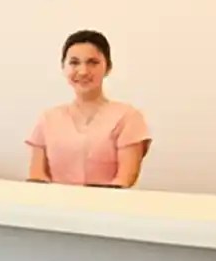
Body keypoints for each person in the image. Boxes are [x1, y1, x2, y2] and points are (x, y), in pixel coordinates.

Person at [26, 29, 151, 188]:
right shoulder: (48, 118)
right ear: (63, 67)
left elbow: (124, 179)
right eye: (74, 62)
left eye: (93, 62)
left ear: (108, 67)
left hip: (108, 208)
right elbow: (37, 177)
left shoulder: (128, 117)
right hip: (55, 208)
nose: (83, 71)